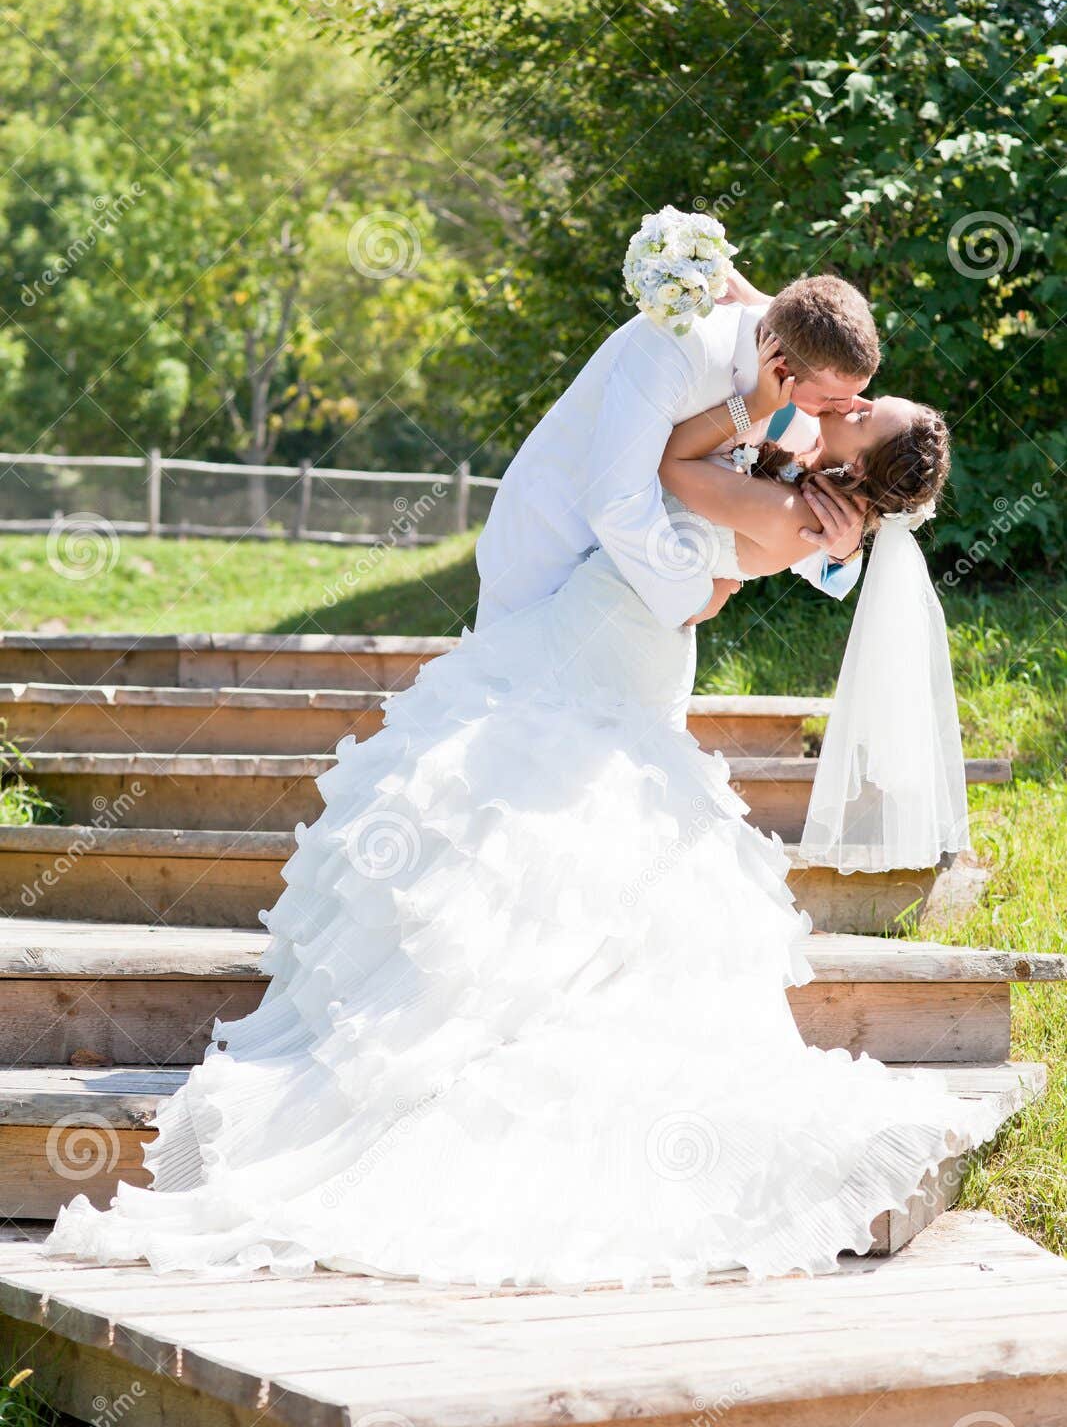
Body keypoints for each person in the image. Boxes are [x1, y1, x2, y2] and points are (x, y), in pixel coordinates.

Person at [45, 355, 991, 1289]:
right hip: (617, 638)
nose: (853, 403)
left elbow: (665, 469)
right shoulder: (805, 506)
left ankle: (461, 1035)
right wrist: (778, 441)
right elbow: (708, 583)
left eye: (864, 417)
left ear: (856, 471)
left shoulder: (797, 512)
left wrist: (759, 407)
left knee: (520, 817)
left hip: (602, 649)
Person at [474, 272, 877, 634]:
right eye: (833, 397)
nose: (847, 407)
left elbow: (783, 510)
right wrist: (695, 599)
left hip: (649, 593)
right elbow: (616, 498)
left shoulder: (801, 392)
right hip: (553, 543)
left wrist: (843, 552)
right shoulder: (677, 343)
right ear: (782, 367)